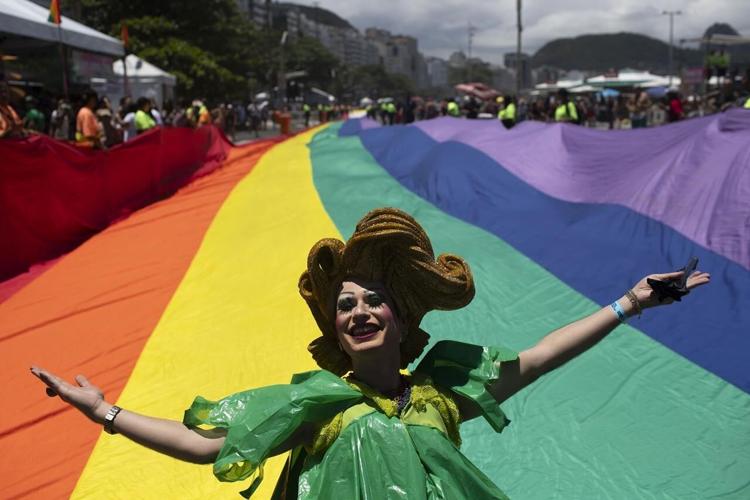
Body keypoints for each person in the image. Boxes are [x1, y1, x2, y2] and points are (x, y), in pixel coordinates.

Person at [30, 208, 710, 498]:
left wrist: (630, 303)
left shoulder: (442, 395)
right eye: (345, 303)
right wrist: (106, 414)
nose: (357, 309)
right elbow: (206, 445)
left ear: (401, 314)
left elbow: (540, 357)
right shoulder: (315, 405)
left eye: (372, 298)